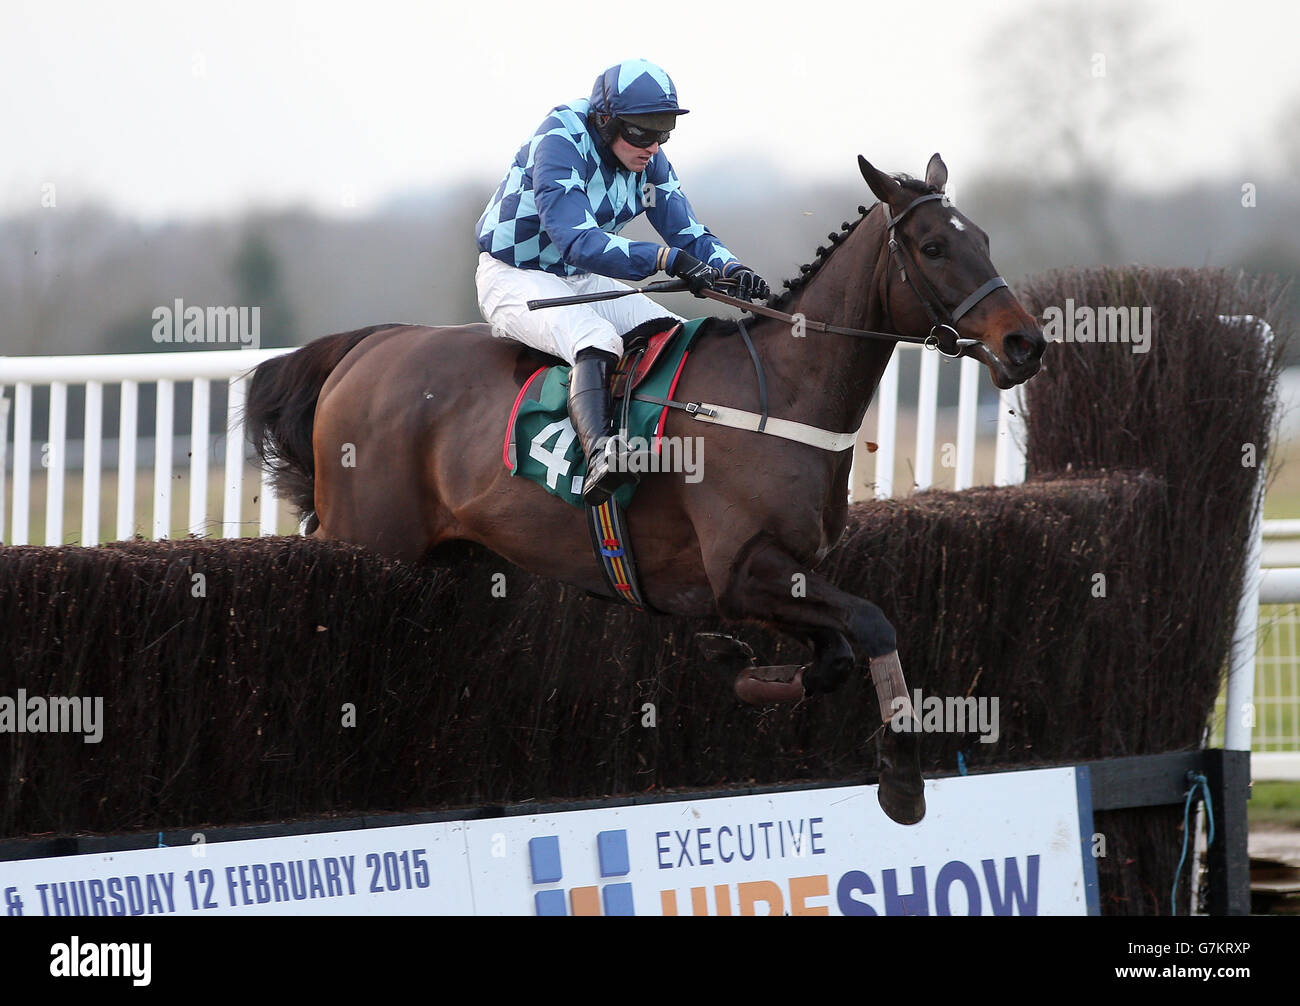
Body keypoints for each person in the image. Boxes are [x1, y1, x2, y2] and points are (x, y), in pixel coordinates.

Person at [475, 58, 769, 506]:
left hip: (578, 278)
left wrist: (731, 268)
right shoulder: (560, 140)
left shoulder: (647, 158)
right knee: (597, 339)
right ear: (605, 121)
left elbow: (686, 231)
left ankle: (654, 445)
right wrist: (665, 259)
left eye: (663, 132)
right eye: (641, 132)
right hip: (515, 276)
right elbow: (576, 241)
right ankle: (599, 455)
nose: (652, 146)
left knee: (672, 335)